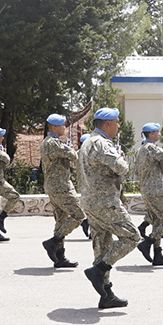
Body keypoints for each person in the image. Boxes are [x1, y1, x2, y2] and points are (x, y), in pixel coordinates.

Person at [79, 108, 138, 309]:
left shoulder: (87, 142)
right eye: (117, 122)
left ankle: (106, 294)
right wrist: (121, 158)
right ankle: (99, 270)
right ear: (107, 124)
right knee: (132, 236)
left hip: (91, 201)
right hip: (104, 201)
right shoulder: (101, 143)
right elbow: (121, 167)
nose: (119, 126)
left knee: (102, 245)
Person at [39, 114, 84, 269]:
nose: (65, 128)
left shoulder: (51, 142)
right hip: (61, 186)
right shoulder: (52, 143)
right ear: (54, 126)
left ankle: (60, 257)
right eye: (63, 125)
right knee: (79, 215)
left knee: (61, 220)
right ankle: (54, 242)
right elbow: (73, 155)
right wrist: (72, 149)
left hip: (56, 185)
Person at [133, 122, 163, 266]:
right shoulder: (151, 148)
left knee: (157, 221)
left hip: (146, 189)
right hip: (155, 190)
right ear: (151, 134)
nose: (159, 134)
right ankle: (148, 242)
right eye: (157, 132)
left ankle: (158, 254)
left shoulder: (140, 150)